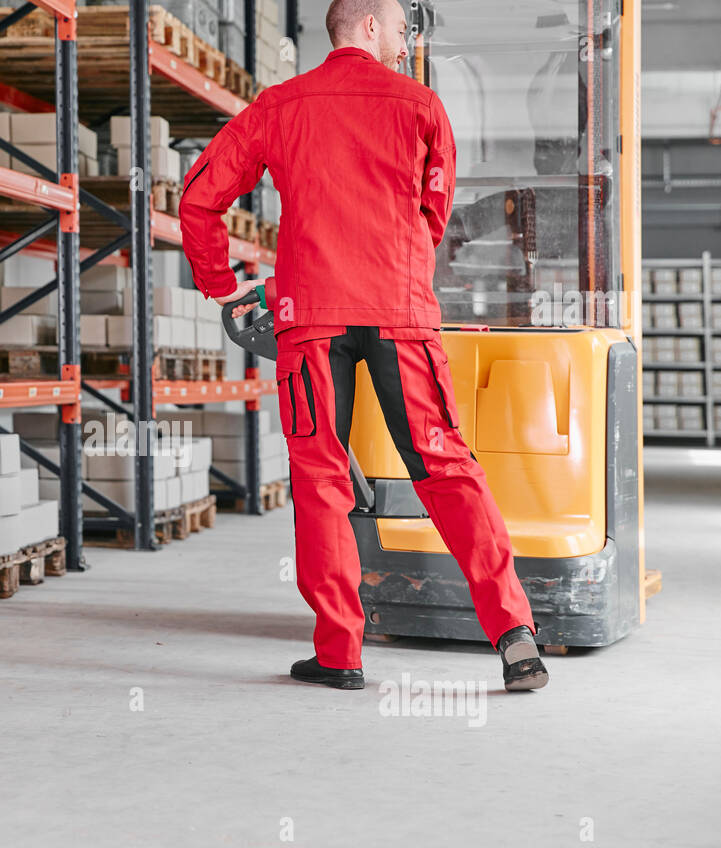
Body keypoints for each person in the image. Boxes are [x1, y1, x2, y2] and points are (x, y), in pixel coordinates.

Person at [178, 0, 549, 692]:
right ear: (370, 26)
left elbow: (198, 198)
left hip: (309, 319)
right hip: (400, 316)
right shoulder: (422, 107)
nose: (407, 47)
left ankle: (340, 651)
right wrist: (396, 274)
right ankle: (515, 634)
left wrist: (220, 283)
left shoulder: (280, 105)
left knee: (321, 480)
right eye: (403, 31)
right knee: (445, 466)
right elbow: (433, 217)